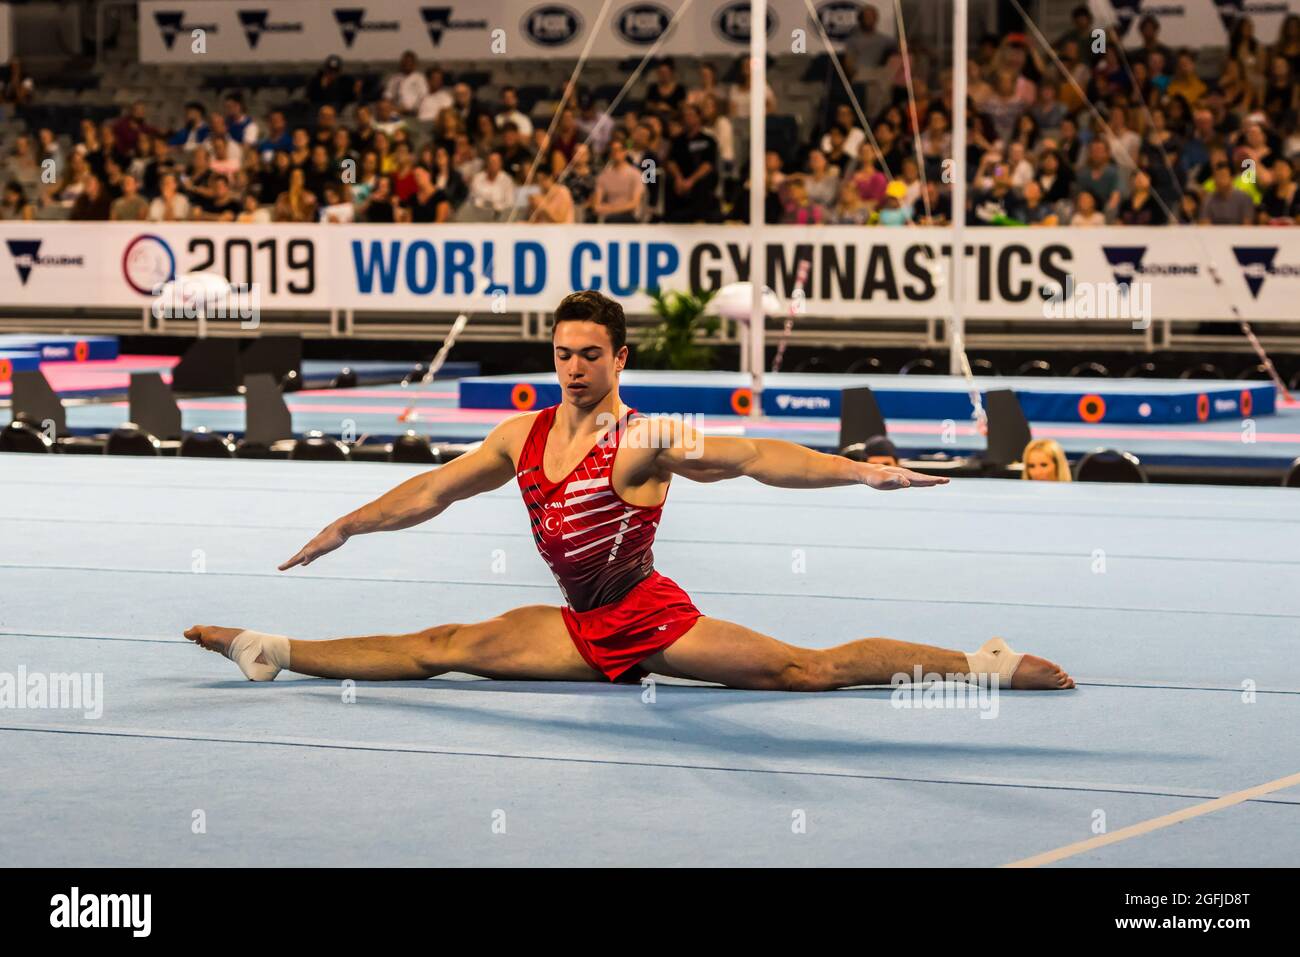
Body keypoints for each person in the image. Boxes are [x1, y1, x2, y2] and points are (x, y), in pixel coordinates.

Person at [187, 290, 1073, 692]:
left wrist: (860, 470)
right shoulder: (520, 434)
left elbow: (752, 452)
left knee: (810, 670)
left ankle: (981, 661)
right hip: (576, 621)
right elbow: (431, 492)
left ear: (620, 359)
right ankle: (273, 648)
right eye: (563, 352)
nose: (573, 368)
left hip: (650, 617)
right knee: (440, 644)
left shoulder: (643, 437)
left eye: (590, 355)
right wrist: (347, 524)